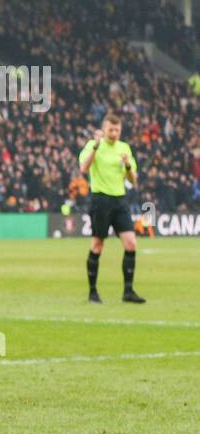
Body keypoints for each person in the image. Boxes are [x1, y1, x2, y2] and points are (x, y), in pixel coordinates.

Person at [78, 113, 145, 303]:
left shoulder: (124, 148)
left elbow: (133, 180)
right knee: (98, 244)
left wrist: (128, 165)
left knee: (131, 243)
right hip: (101, 200)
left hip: (120, 200)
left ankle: (128, 292)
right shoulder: (94, 145)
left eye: (117, 130)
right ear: (104, 129)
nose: (114, 133)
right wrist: (96, 146)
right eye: (111, 129)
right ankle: (93, 292)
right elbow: (84, 168)